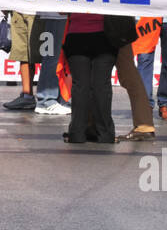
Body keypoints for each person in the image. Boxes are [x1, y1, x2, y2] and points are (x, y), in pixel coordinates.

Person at [61, 13, 152, 143]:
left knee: (92, 83)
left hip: (111, 29)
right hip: (111, 28)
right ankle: (97, 130)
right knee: (99, 83)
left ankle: (143, 125)